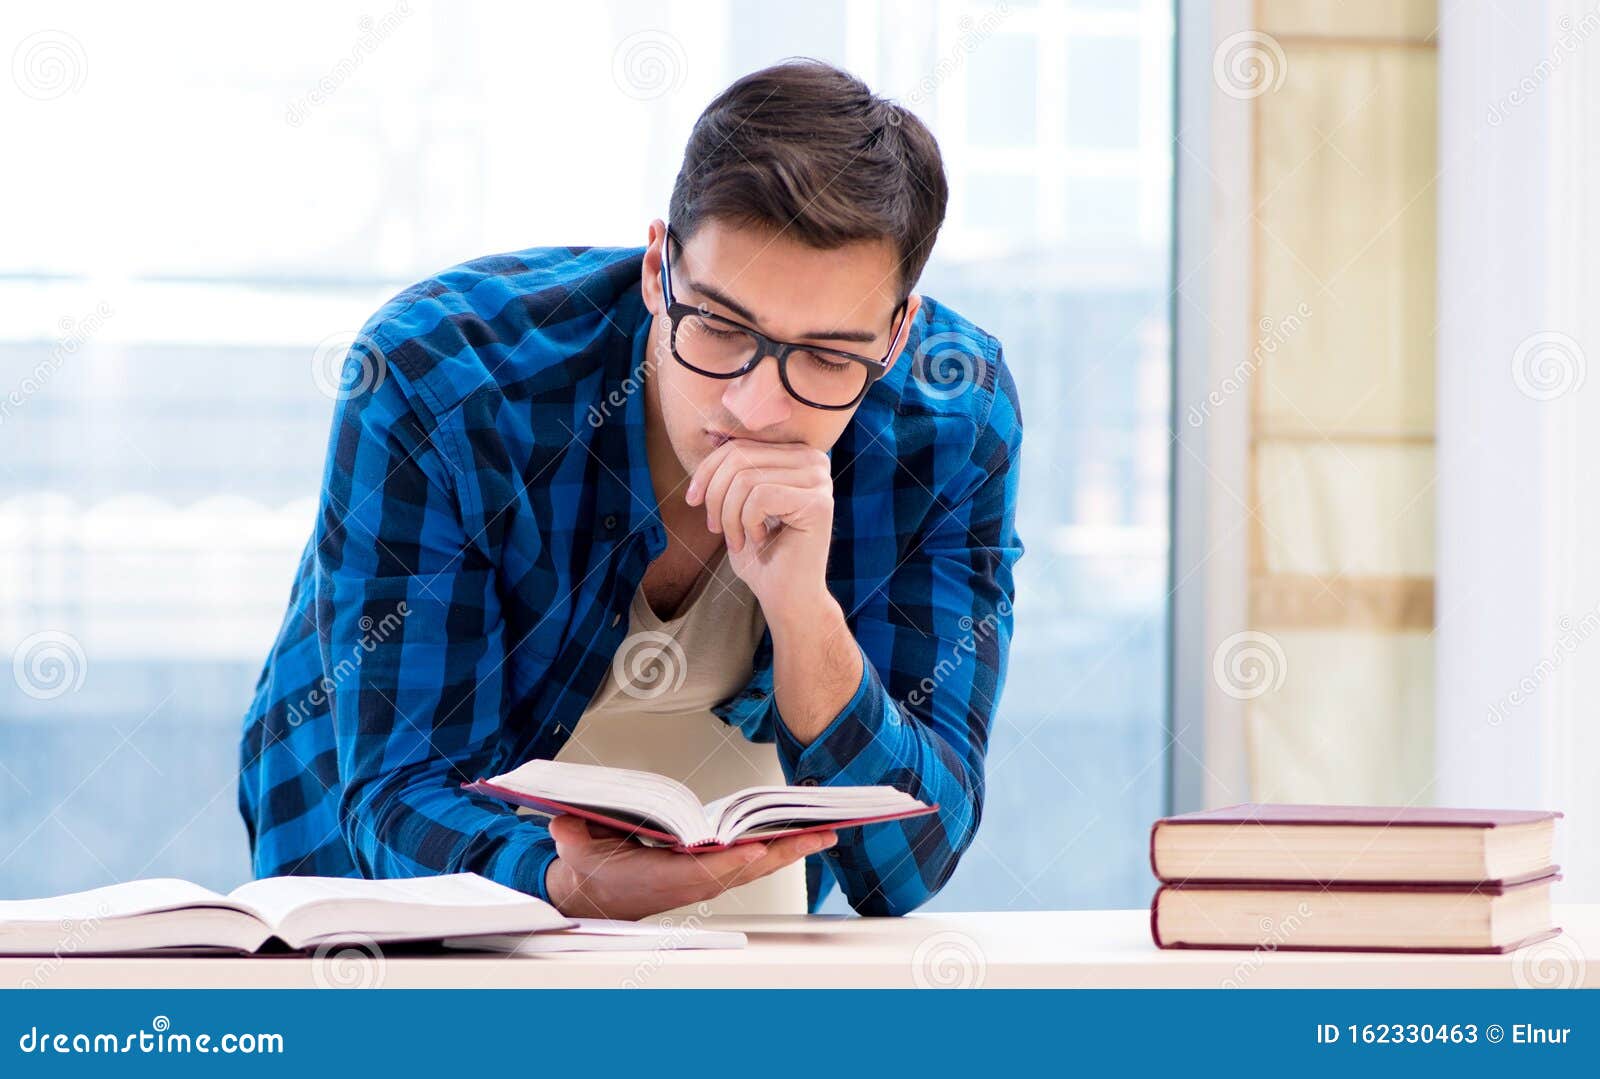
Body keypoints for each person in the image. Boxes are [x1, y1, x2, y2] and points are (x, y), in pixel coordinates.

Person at [238, 58, 1023, 919]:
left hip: (722, 791)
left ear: (899, 333)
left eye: (829, 357)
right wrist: (563, 885)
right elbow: (398, 790)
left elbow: (909, 861)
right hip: (412, 817)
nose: (756, 407)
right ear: (658, 268)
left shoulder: (953, 417)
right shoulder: (443, 378)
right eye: (722, 327)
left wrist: (805, 614)